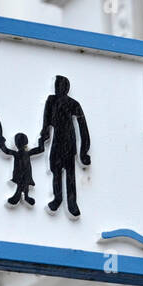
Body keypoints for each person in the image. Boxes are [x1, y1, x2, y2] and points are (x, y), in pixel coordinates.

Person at [40, 75, 91, 217]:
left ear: (66, 87)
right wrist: (44, 135)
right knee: (55, 169)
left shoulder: (73, 103)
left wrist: (84, 150)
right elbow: (46, 121)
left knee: (70, 173)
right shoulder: (51, 100)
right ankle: (57, 198)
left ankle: (72, 203)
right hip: (57, 139)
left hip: (69, 140)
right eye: (57, 85)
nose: (58, 88)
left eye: (60, 85)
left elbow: (83, 127)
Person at [0, 132, 45, 207]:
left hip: (20, 173)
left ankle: (20, 197)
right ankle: (22, 197)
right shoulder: (28, 153)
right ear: (26, 143)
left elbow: (5, 150)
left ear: (16, 144)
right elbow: (40, 149)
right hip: (25, 173)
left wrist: (1, 142)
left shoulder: (16, 153)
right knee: (22, 185)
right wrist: (41, 140)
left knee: (21, 185)